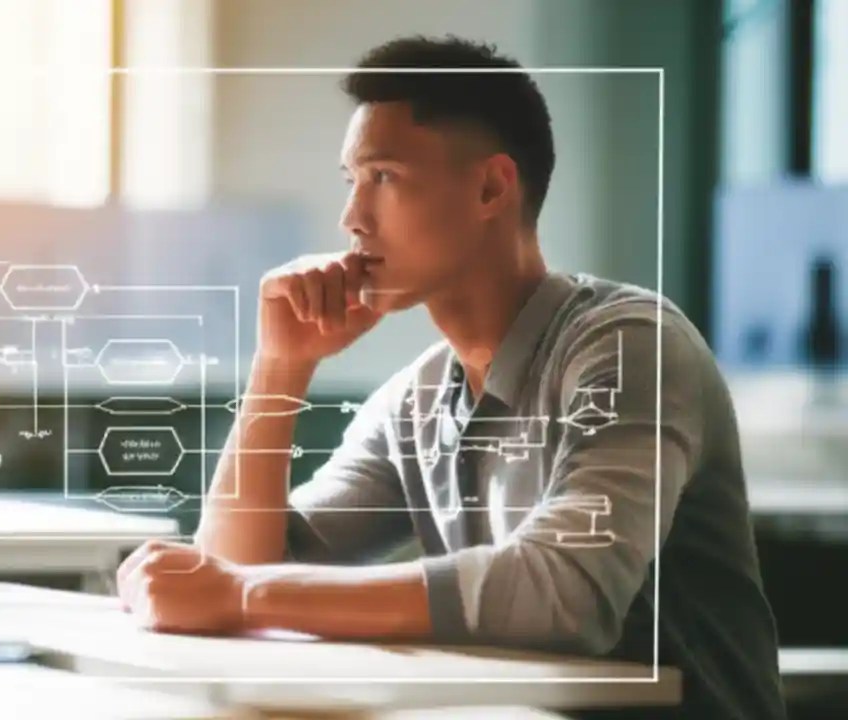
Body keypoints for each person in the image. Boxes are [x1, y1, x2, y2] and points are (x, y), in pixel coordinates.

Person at [115, 35, 785, 718]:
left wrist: (244, 596)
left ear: (491, 186)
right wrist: (281, 368)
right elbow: (245, 561)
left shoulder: (630, 347)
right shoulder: (420, 397)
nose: (352, 218)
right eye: (352, 181)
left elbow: (567, 593)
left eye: (383, 178)